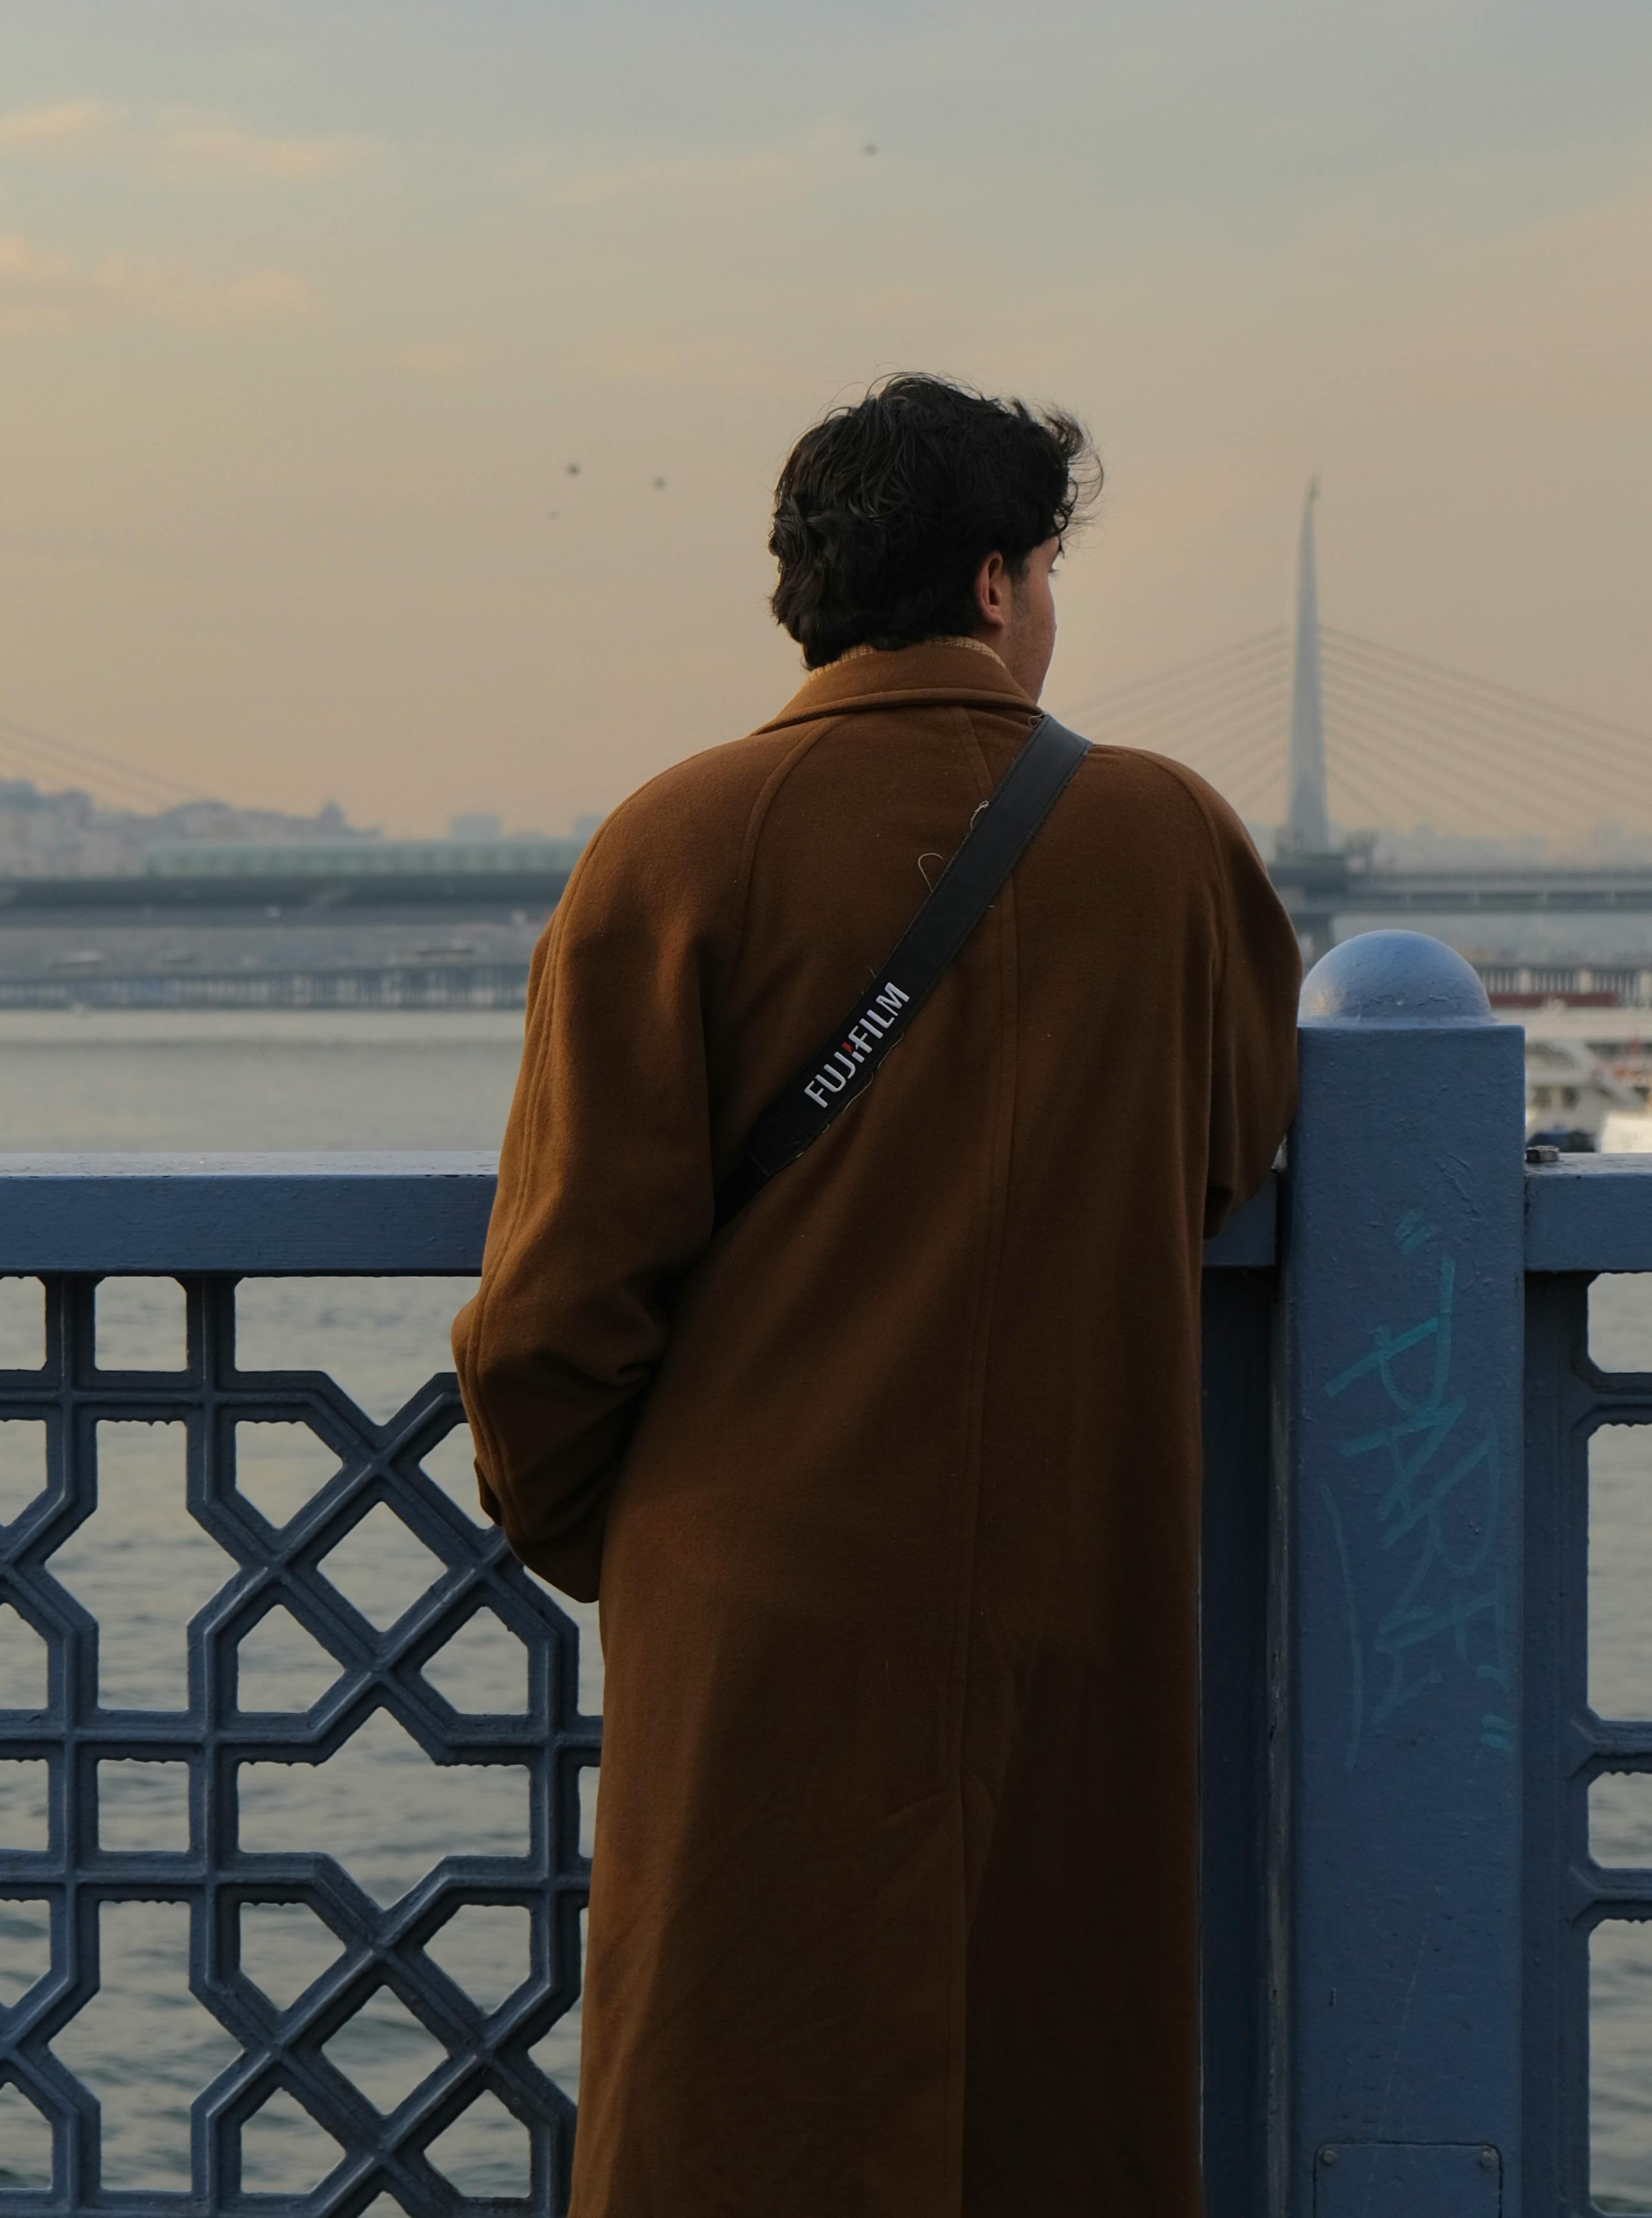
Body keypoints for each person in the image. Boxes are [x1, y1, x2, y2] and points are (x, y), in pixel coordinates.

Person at [451, 374, 1302, 2217]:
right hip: (1081, 1600)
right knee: (1055, 2098)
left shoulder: (672, 847)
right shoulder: (1174, 845)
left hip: (757, 1631)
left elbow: (552, 1311)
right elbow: (1231, 1146)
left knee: (734, 2107)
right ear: (999, 586)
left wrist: (646, 1542)